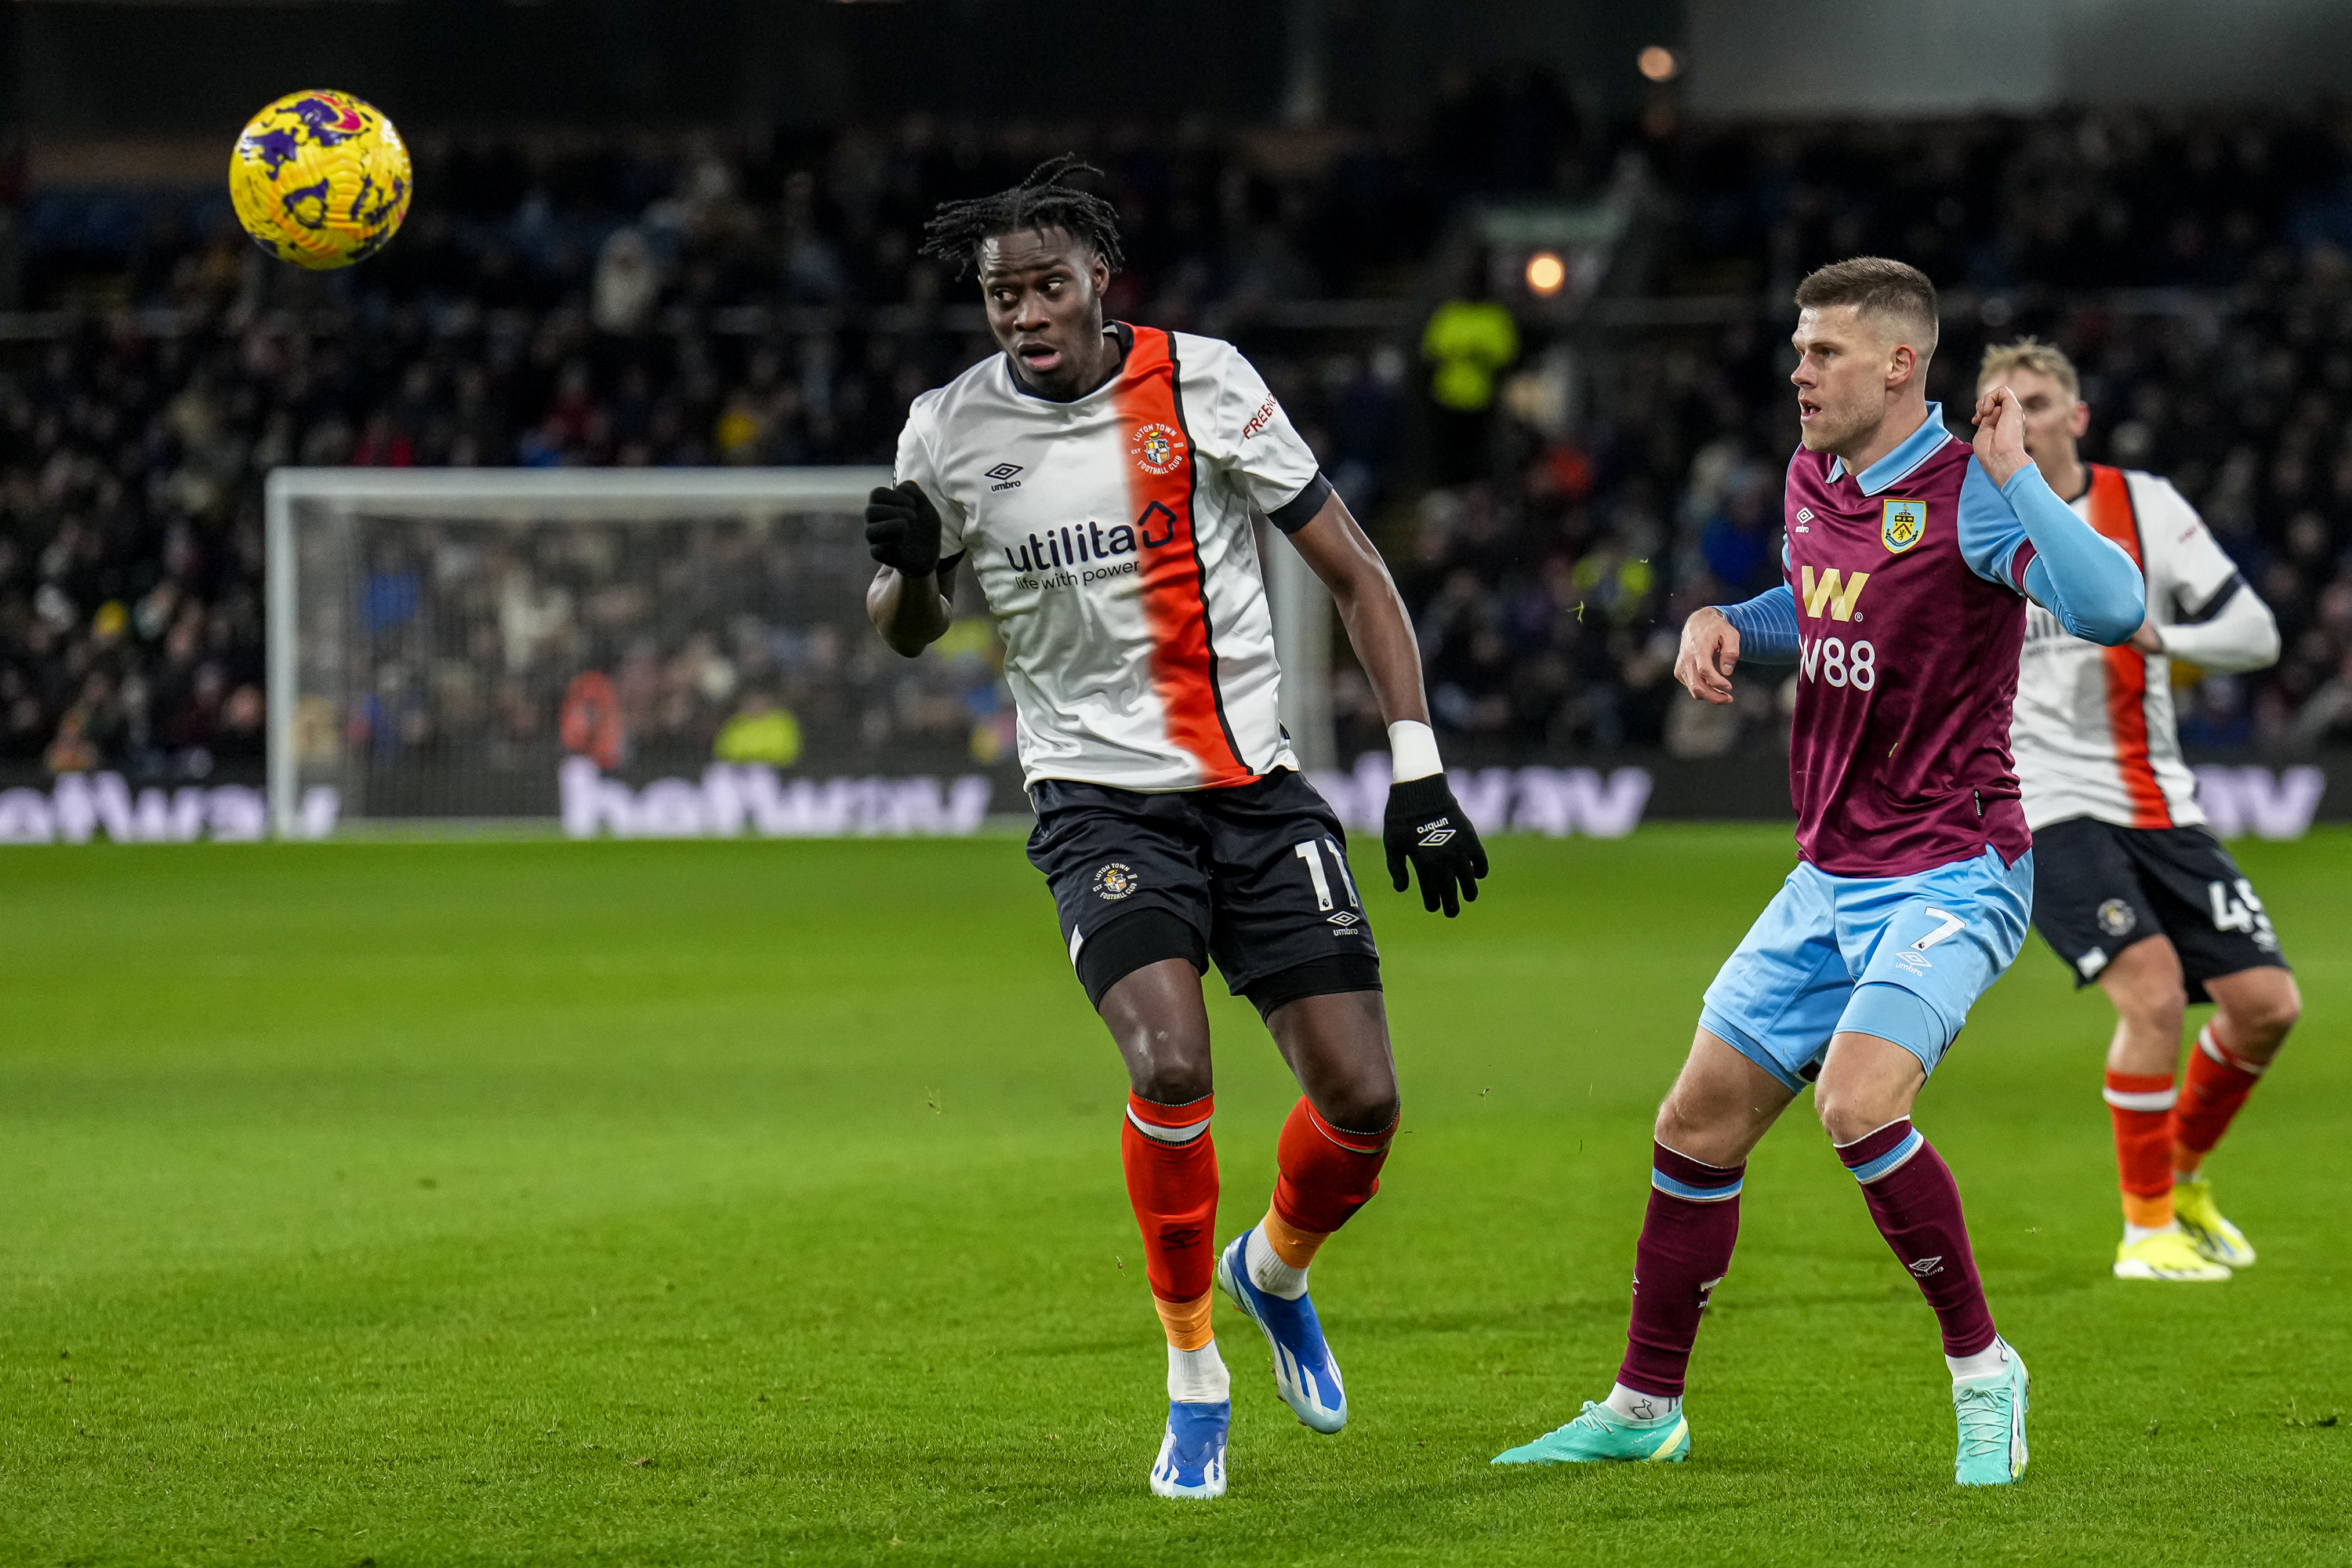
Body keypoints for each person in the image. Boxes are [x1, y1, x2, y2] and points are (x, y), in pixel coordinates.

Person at [861, 158, 1488, 1501]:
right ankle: (1193, 1367)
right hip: (1093, 798)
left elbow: (1358, 574)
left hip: (1251, 791)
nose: (1022, 312)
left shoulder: (1204, 382)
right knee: (1169, 1065)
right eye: (997, 293)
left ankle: (1269, 1273)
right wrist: (909, 568)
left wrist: (1418, 772)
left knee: (1365, 1103)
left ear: (1101, 282)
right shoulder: (946, 432)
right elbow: (913, 631)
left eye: (1045, 284)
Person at [1492, 258, 2145, 1486]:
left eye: (1824, 352)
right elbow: (1822, 599)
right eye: (1798, 350)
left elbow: (2113, 607)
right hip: (1829, 874)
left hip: (1955, 872)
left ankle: (1983, 1371)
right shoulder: (1814, 477)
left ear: (1902, 365)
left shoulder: (1971, 493)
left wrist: (2018, 478)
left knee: (1858, 1104)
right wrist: (1729, 620)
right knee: (1693, 1127)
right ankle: (1645, 1408)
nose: (1800, 371)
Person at [1982, 338, 2298, 1284]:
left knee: (2266, 1007)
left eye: (2038, 402)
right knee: (2155, 996)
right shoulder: (1969, 516)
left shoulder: (2144, 507)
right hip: (2041, 802)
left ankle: (2188, 1181)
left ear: (2078, 416)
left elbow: (2258, 632)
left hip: (2160, 798)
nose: (2021, 421)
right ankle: (2145, 1228)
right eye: (2003, 407)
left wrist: (2163, 635)